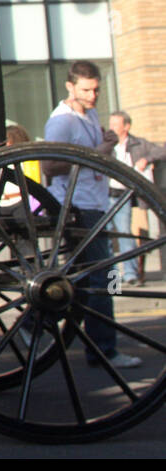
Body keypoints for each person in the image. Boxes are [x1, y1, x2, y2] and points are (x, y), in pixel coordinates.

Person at [42, 61, 140, 368]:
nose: (93, 95)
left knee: (85, 278)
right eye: (86, 89)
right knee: (100, 275)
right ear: (70, 87)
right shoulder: (61, 121)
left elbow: (94, 153)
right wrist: (97, 153)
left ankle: (37, 324)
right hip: (75, 207)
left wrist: (104, 146)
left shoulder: (91, 113)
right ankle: (103, 350)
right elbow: (50, 166)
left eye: (96, 89)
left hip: (95, 203)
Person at [102, 110, 166, 286]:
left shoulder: (138, 144)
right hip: (105, 193)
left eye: (116, 124)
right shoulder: (107, 144)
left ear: (126, 127)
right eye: (111, 124)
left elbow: (162, 150)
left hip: (123, 195)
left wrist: (146, 159)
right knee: (105, 238)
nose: (112, 128)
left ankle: (130, 274)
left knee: (124, 235)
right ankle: (112, 280)